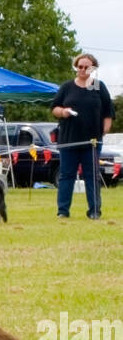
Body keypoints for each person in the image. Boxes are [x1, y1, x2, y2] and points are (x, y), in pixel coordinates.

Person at [50, 52, 114, 220]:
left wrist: (103, 132)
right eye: (80, 66)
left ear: (92, 68)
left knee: (92, 176)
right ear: (76, 67)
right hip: (69, 140)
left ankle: (94, 211)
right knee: (66, 175)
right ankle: (63, 211)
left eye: (87, 67)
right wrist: (63, 112)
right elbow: (54, 108)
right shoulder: (67, 87)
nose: (83, 70)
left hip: (92, 142)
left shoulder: (98, 87)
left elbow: (108, 113)